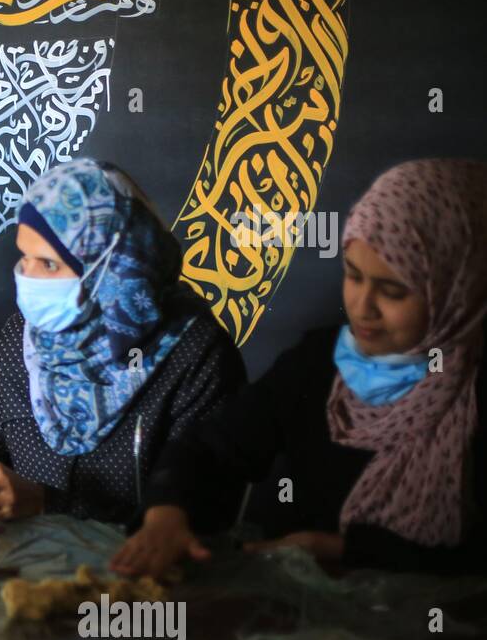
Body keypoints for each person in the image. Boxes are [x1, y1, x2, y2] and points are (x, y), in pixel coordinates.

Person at [112, 159, 487, 576]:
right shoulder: (322, 360)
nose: (362, 308)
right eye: (354, 275)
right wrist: (168, 511)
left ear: (461, 286)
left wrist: (347, 552)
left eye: (394, 291)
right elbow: (212, 448)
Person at [0, 158, 246, 527]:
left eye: (49, 264)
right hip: (21, 584)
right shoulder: (25, 339)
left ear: (115, 265)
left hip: (138, 598)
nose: (27, 279)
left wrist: (47, 504)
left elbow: (200, 527)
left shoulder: (195, 355)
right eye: (24, 257)